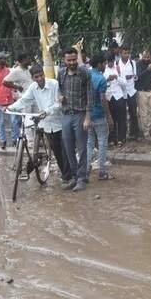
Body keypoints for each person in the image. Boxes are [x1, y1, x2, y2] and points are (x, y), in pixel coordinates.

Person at [7, 65, 69, 184]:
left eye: (41, 75)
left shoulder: (54, 84)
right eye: (37, 77)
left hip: (59, 122)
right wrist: (11, 107)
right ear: (33, 78)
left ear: (44, 74)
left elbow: (59, 103)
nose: (40, 78)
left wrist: (46, 111)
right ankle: (65, 175)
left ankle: (69, 175)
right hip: (46, 124)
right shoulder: (33, 87)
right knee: (56, 150)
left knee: (65, 150)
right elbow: (24, 100)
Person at [57, 47, 92, 191]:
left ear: (77, 58)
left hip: (80, 114)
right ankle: (75, 177)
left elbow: (90, 96)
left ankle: (82, 179)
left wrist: (88, 118)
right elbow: (58, 89)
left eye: (74, 59)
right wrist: (59, 97)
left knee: (82, 148)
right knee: (68, 147)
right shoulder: (61, 74)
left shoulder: (84, 73)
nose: (72, 62)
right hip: (66, 115)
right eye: (68, 60)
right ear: (64, 60)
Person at [87, 52, 113, 180]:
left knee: (90, 142)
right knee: (102, 142)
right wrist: (108, 116)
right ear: (99, 64)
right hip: (98, 114)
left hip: (87, 115)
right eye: (104, 63)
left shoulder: (86, 74)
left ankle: (86, 168)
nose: (105, 65)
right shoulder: (101, 79)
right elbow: (103, 99)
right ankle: (102, 171)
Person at [2, 52, 34, 143]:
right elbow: (4, 82)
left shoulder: (30, 69)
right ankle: (30, 140)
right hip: (24, 98)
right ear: (22, 60)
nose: (30, 60)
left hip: (34, 97)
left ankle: (35, 138)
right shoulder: (16, 71)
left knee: (34, 118)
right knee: (27, 119)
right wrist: (17, 87)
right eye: (28, 58)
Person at [113, 46, 141, 141]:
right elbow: (117, 78)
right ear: (120, 53)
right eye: (125, 53)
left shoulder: (133, 63)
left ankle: (136, 134)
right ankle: (123, 136)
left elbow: (135, 76)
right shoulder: (116, 64)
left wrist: (133, 77)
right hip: (121, 92)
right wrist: (124, 78)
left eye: (128, 53)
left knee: (134, 114)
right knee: (122, 115)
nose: (127, 55)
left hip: (131, 91)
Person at [104, 49, 127, 147]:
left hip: (118, 96)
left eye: (112, 61)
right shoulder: (103, 70)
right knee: (111, 119)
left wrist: (117, 77)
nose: (110, 63)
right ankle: (112, 139)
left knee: (120, 119)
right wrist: (107, 79)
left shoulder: (118, 68)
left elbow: (124, 83)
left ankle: (121, 139)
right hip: (108, 97)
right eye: (108, 62)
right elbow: (100, 84)